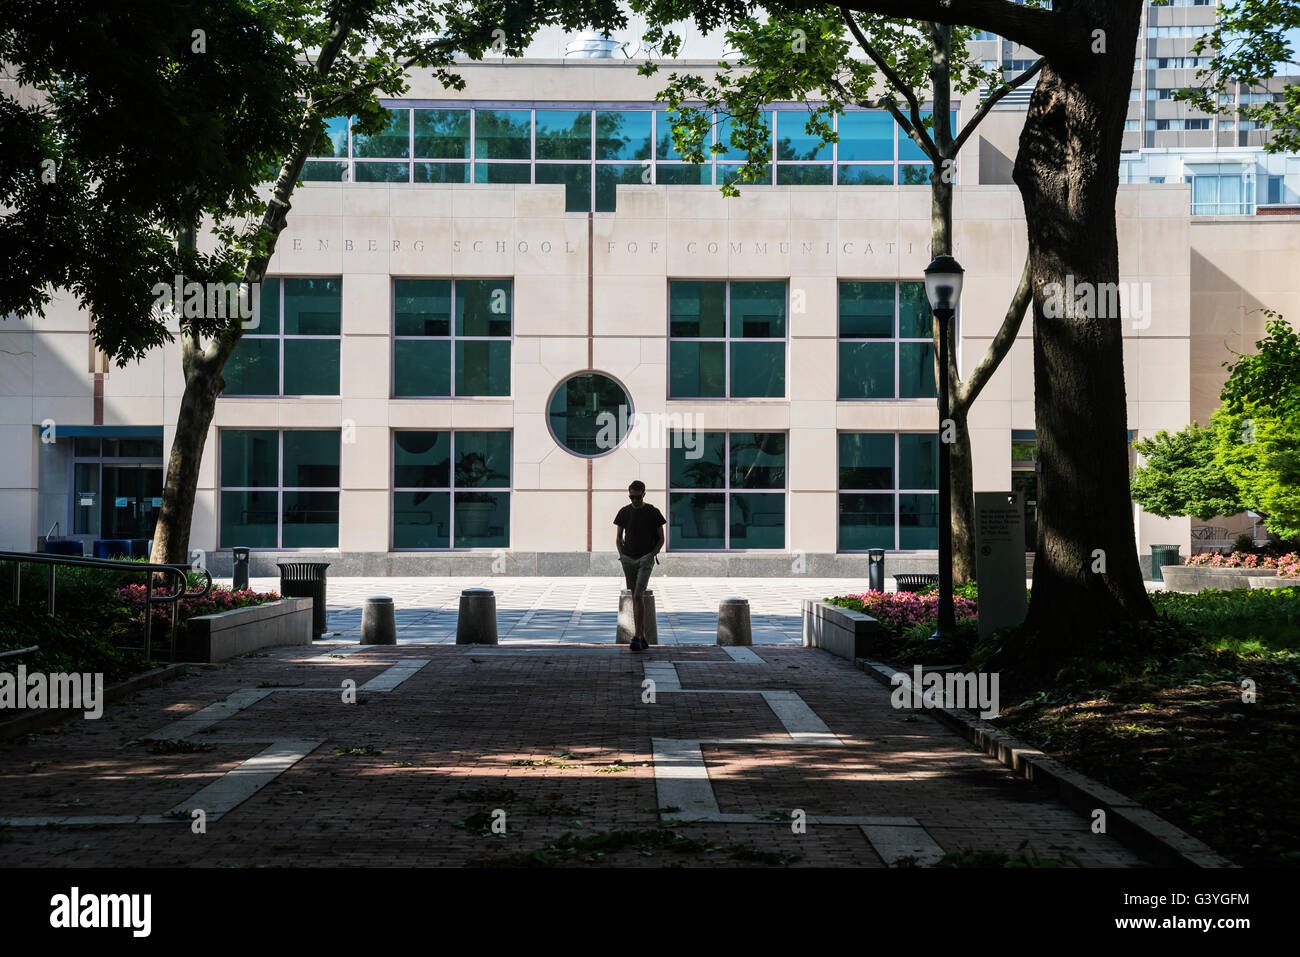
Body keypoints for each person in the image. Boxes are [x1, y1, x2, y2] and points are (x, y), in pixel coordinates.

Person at [613, 480, 665, 651]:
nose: (634, 500)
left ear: (644, 493)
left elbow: (661, 538)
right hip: (628, 559)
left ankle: (638, 636)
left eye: (637, 496)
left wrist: (652, 555)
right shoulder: (624, 512)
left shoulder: (652, 512)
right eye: (631, 497)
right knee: (634, 596)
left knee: (637, 596)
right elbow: (619, 537)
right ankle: (641, 637)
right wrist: (622, 556)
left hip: (645, 559)